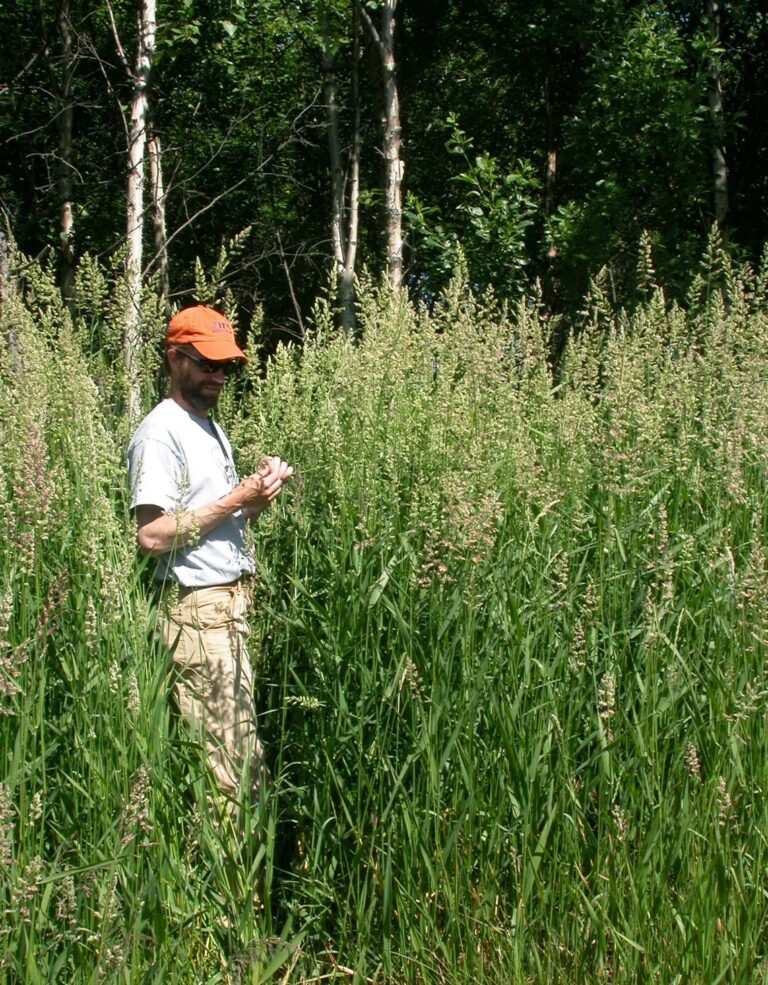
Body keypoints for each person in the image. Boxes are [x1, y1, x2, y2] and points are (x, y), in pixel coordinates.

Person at [127, 304, 292, 824]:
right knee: (233, 769)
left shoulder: (208, 427)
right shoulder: (161, 432)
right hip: (198, 615)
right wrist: (234, 499)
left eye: (226, 366)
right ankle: (231, 875)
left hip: (227, 609)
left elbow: (216, 520)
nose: (219, 376)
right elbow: (152, 535)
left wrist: (257, 497)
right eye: (207, 364)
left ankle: (239, 868)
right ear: (175, 359)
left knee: (241, 756)